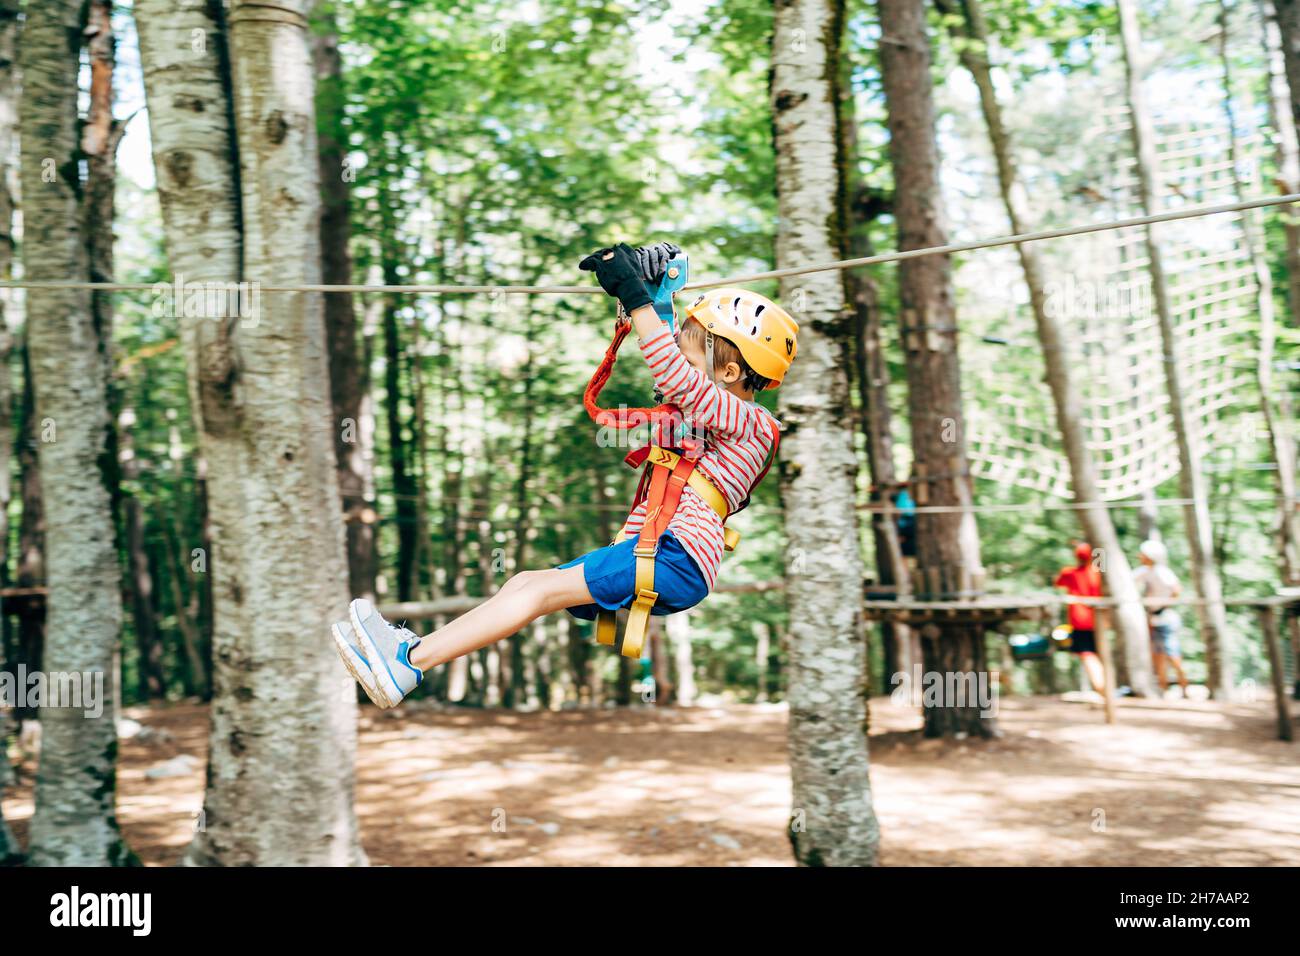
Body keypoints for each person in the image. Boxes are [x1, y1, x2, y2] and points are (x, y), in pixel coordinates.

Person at [329, 242, 800, 708]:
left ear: (732, 370)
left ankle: (410, 662)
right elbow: (674, 375)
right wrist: (658, 296)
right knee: (523, 584)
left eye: (695, 357)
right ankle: (407, 659)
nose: (682, 364)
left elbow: (676, 377)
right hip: (659, 554)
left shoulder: (752, 423)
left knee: (537, 590)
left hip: (675, 558)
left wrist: (636, 295)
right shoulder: (713, 412)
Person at [1133, 538, 1189, 696]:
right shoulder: (1144, 571)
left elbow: (1176, 589)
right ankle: (1163, 688)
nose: (1139, 556)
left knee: (1172, 653)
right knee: (1157, 654)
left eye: (1142, 554)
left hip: (1165, 617)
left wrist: (1164, 604)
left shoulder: (1163, 572)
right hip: (1153, 617)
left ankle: (1184, 686)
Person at [1054, 541, 1106, 696]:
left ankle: (1101, 687)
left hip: (1080, 620)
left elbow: (1058, 583)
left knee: (1087, 654)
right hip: (1099, 620)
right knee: (1096, 653)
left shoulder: (1069, 573)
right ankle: (1102, 686)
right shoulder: (1098, 573)